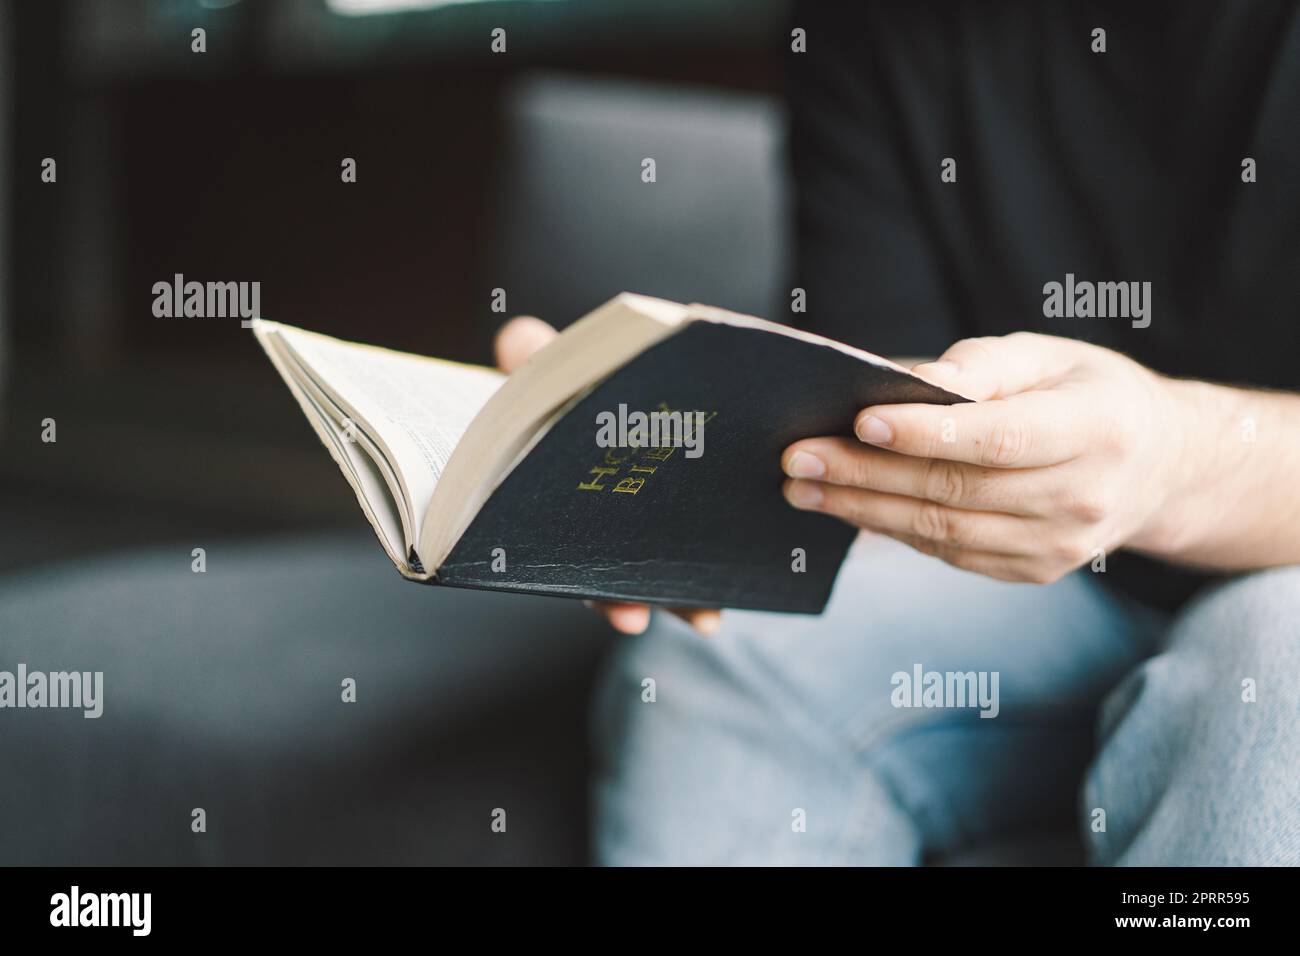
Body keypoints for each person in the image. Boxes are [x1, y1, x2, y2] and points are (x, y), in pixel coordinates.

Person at [495, 1, 1300, 864]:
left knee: (1271, 667)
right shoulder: (867, 24)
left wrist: (1173, 461)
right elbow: (880, 402)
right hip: (1041, 594)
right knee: (727, 657)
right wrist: (677, 456)